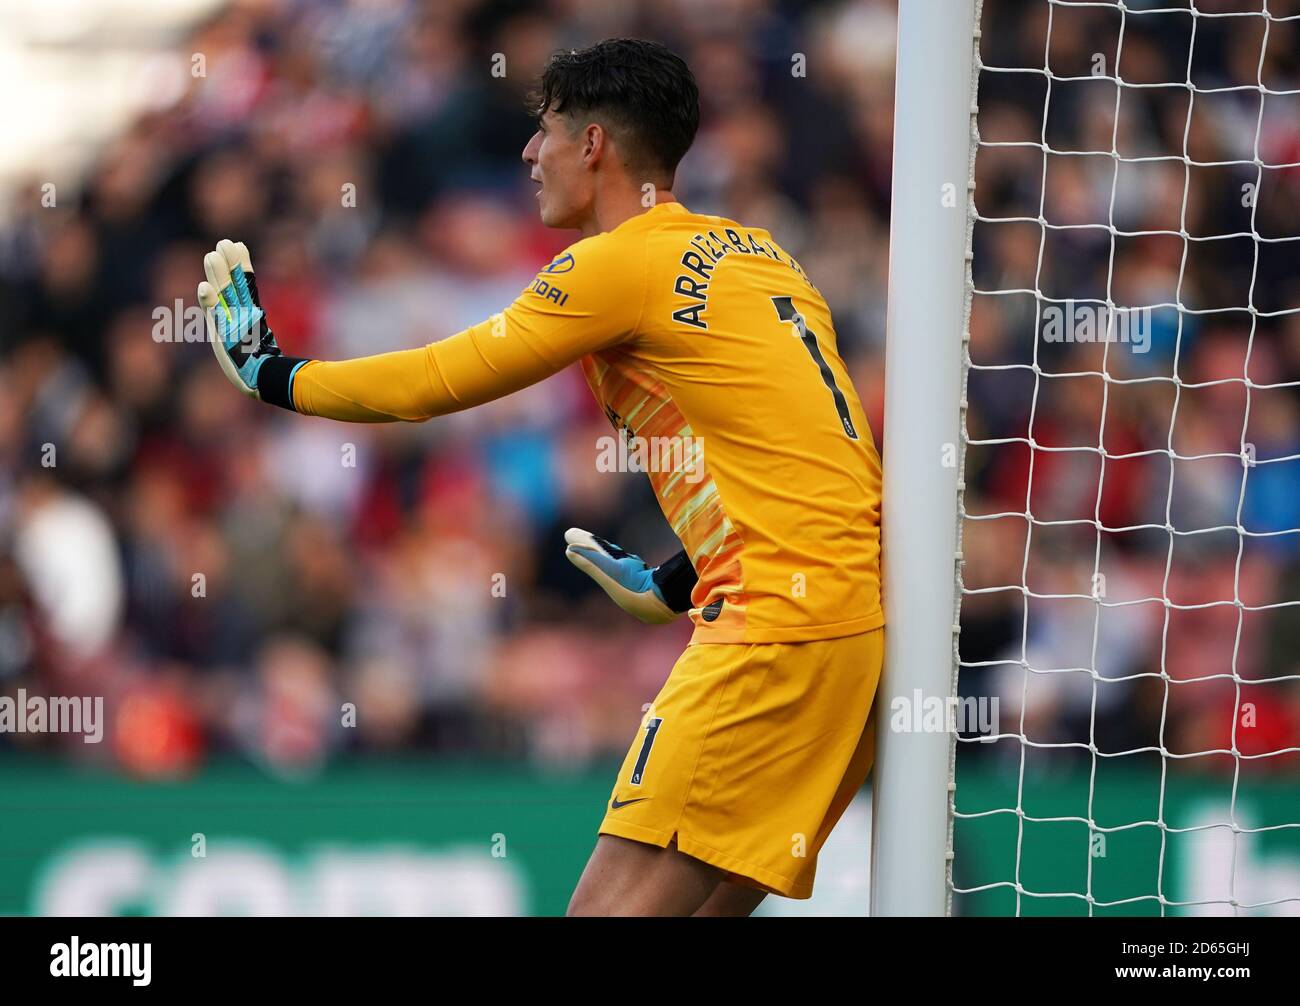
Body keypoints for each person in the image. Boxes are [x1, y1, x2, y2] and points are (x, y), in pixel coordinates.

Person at [199, 37, 883, 917]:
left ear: (593, 144)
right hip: (853, 638)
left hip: (773, 638)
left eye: (545, 132)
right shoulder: (765, 256)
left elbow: (439, 380)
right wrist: (684, 574)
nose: (530, 154)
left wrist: (276, 373)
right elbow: (804, 445)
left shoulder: (616, 263)